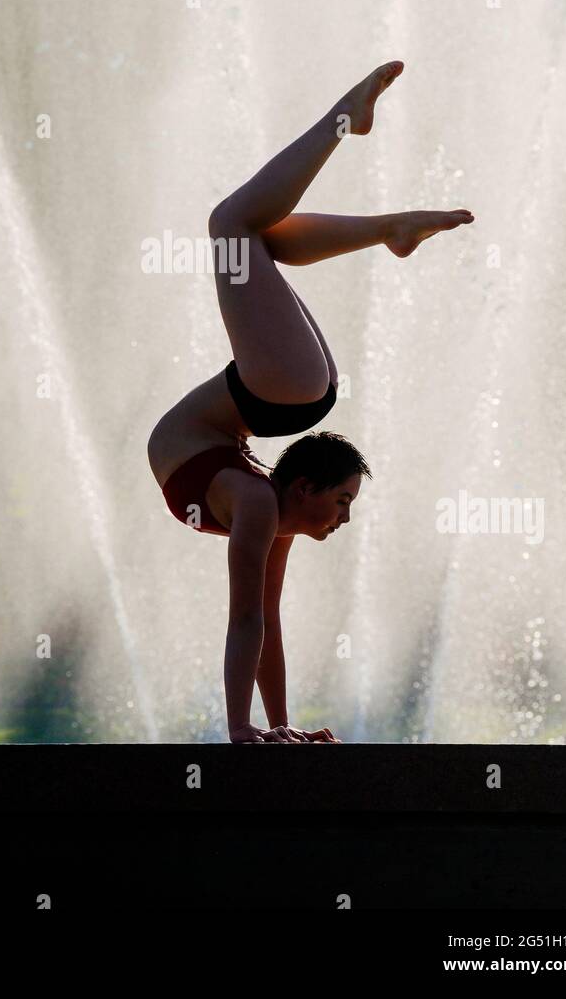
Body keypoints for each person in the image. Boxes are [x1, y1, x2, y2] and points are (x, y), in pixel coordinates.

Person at [147, 61, 474, 744]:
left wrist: (262, 731)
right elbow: (252, 623)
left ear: (303, 485)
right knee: (236, 229)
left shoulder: (268, 507)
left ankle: (350, 137)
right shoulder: (265, 500)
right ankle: (387, 223)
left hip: (283, 390)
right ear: (304, 486)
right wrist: (253, 730)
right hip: (277, 391)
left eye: (345, 502)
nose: (345, 518)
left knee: (241, 229)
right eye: (346, 502)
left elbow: (254, 619)